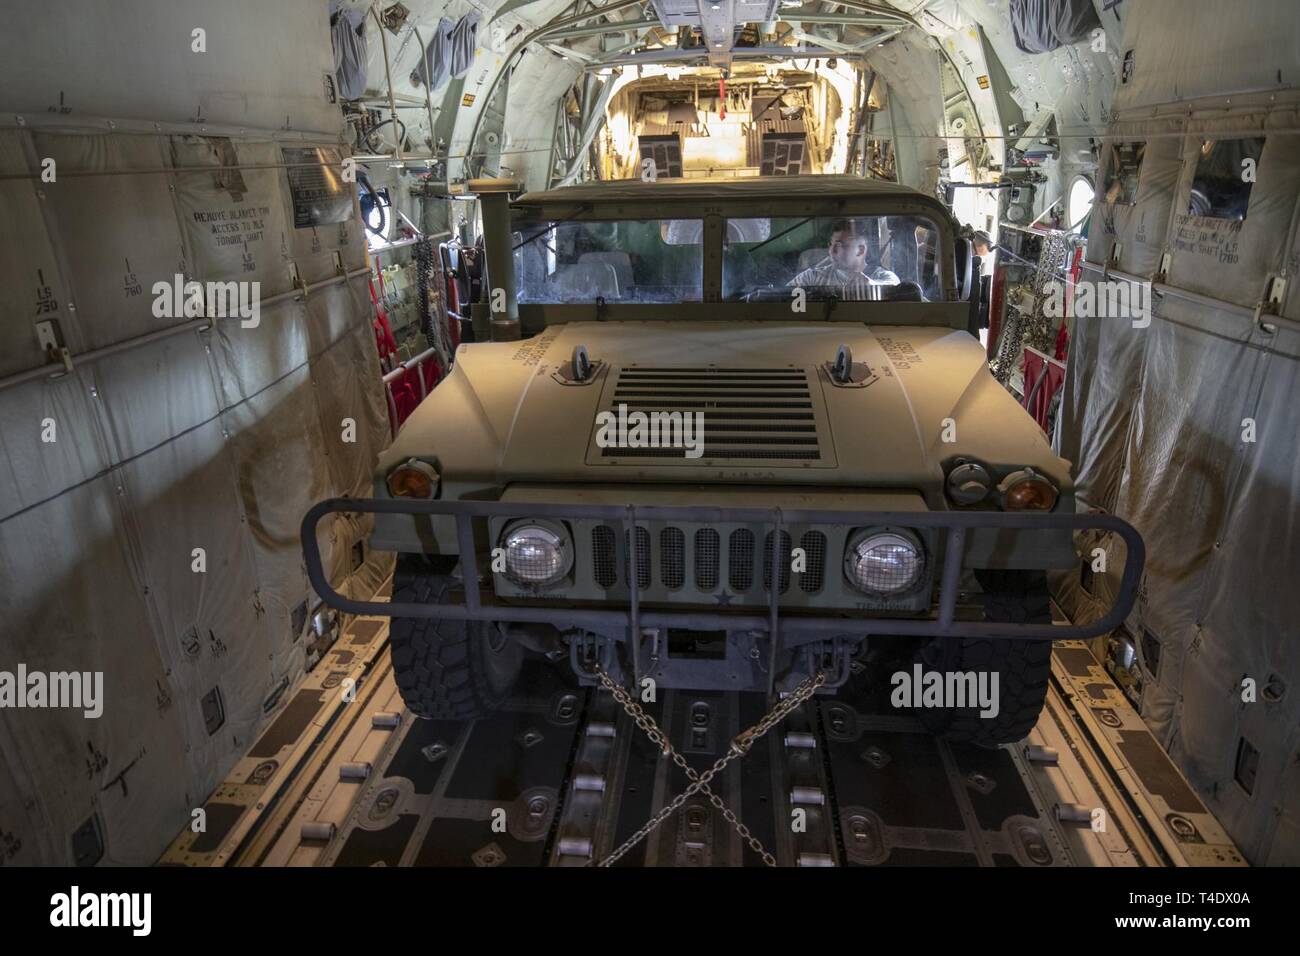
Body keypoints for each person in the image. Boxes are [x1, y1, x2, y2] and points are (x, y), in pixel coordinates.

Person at [788, 219, 899, 299]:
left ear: (860, 250)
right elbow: (783, 297)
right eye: (831, 244)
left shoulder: (883, 276)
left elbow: (897, 289)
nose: (831, 251)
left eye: (840, 245)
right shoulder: (811, 277)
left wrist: (870, 286)